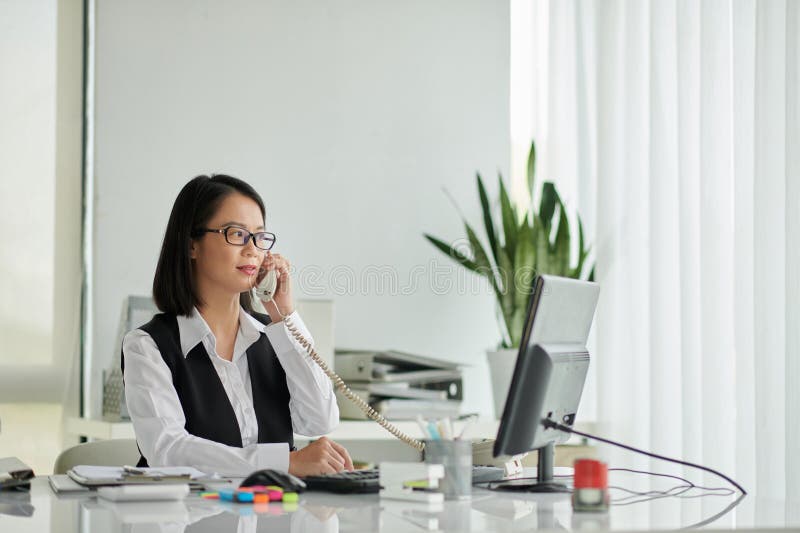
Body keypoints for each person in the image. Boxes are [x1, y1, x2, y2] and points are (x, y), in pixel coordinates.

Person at [121, 174, 353, 477]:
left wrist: (285, 315)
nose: (253, 249)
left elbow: (321, 421)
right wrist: (285, 463)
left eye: (259, 237)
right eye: (237, 234)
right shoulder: (148, 346)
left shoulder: (275, 335)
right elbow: (168, 450)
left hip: (272, 507)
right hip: (190, 507)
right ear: (192, 245)